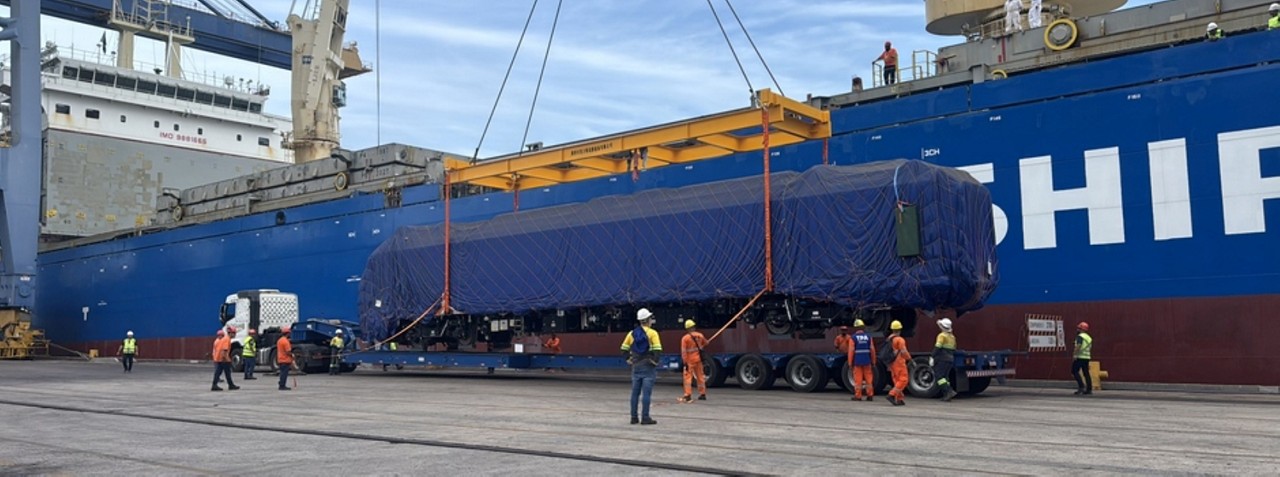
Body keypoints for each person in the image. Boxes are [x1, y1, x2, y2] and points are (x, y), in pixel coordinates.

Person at [620, 308, 662, 425]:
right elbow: (658, 350)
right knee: (646, 394)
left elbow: (623, 349)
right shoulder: (653, 333)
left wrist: (629, 359)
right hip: (648, 366)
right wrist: (655, 362)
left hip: (636, 365)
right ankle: (645, 417)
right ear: (648, 320)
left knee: (635, 393)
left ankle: (634, 417)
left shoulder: (631, 334)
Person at [679, 320, 709, 403]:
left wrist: (684, 362)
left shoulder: (685, 338)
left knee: (688, 378)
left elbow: (684, 351)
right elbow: (706, 343)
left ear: (687, 328)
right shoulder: (700, 335)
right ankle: (702, 394)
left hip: (689, 360)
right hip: (698, 359)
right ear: (694, 327)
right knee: (700, 377)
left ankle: (687, 395)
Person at [931, 318, 959, 402]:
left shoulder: (942, 335)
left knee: (939, 377)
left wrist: (932, 356)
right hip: (950, 359)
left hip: (942, 359)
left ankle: (948, 391)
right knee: (945, 377)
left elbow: (938, 347)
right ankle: (947, 395)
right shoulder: (952, 337)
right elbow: (954, 348)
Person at [848, 320, 875, 401]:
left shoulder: (853, 338)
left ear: (855, 328)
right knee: (869, 378)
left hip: (857, 361)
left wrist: (850, 363)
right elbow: (872, 350)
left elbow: (851, 351)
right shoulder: (868, 337)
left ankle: (858, 396)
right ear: (863, 327)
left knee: (858, 379)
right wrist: (873, 361)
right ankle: (870, 395)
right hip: (867, 361)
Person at [887, 320, 909, 406]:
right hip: (899, 362)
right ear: (900, 329)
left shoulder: (889, 339)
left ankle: (899, 398)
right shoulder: (900, 340)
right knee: (903, 380)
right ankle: (892, 395)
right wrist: (909, 358)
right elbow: (904, 351)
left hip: (892, 362)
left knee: (897, 380)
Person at [1072, 322, 1093, 396]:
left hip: (1080, 356)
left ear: (1081, 329)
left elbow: (1078, 346)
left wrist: (1075, 355)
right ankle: (1089, 389)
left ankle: (1081, 387)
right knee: (1086, 373)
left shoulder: (1080, 336)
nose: (1077, 329)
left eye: (1078, 328)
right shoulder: (1088, 337)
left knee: (1074, 371)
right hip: (1087, 357)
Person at [278, 326, 294, 390]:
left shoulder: (280, 340)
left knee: (282, 373)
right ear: (287, 333)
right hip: (285, 360)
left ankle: (281, 383)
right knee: (284, 374)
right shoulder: (286, 341)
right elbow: (288, 352)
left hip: (280, 359)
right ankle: (282, 385)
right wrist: (292, 355)